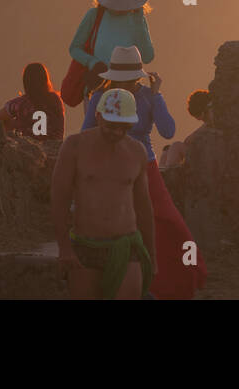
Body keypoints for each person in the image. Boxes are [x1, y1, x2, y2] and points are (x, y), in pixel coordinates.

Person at [82, 46, 206, 299]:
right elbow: (85, 133)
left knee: (169, 222)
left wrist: (158, 96)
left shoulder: (148, 96)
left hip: (145, 165)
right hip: (112, 166)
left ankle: (178, 280)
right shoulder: (100, 96)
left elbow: (168, 131)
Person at [51, 88, 156, 299]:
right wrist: (64, 248)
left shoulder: (136, 152)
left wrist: (152, 257)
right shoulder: (74, 147)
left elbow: (144, 208)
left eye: (124, 127)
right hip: (85, 246)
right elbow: (58, 199)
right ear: (98, 116)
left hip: (125, 246)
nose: (117, 132)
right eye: (111, 126)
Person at [63, 0, 155, 108]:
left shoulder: (137, 21)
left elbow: (148, 56)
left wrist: (139, 23)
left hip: (128, 93)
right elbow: (75, 48)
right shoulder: (95, 16)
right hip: (98, 90)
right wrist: (93, 63)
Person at [0, 62, 65, 143]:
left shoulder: (21, 104)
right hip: (55, 147)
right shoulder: (56, 100)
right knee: (16, 123)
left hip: (31, 148)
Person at [161, 89, 214, 169]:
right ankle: (160, 178)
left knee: (176, 146)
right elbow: (190, 138)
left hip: (209, 156)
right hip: (203, 152)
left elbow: (190, 139)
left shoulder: (215, 117)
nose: (199, 119)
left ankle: (170, 174)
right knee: (166, 152)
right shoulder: (208, 122)